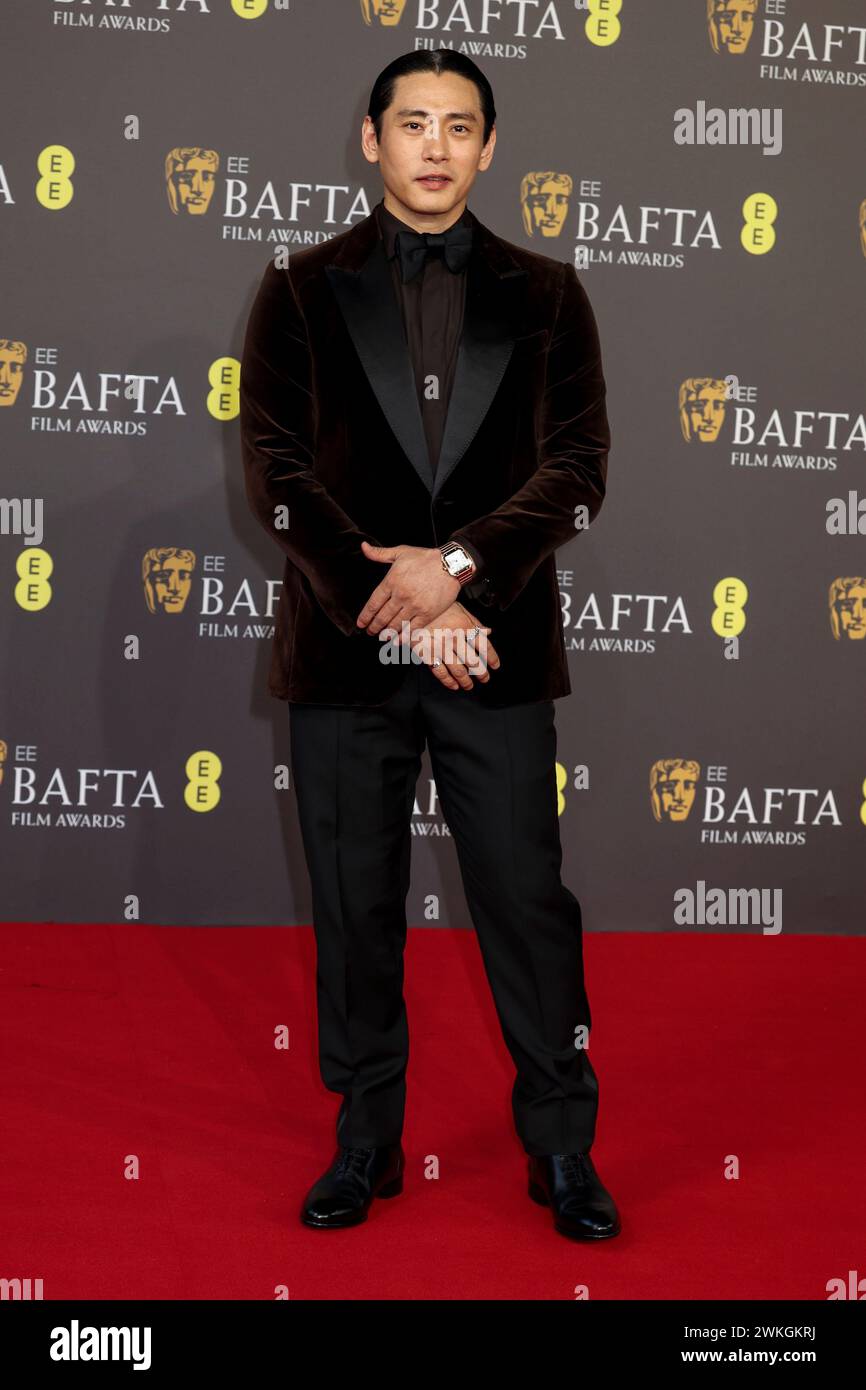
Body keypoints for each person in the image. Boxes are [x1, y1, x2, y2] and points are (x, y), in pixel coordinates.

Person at [239, 47, 620, 1242]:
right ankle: (365, 1142)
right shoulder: (297, 289)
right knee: (353, 906)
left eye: (460, 125)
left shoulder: (551, 293)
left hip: (492, 655)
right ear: (371, 139)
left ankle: (560, 1146)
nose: (436, 145)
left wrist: (455, 573)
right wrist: (407, 599)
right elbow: (280, 480)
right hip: (347, 661)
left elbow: (576, 474)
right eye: (413, 123)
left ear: (489, 147)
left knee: (524, 900)